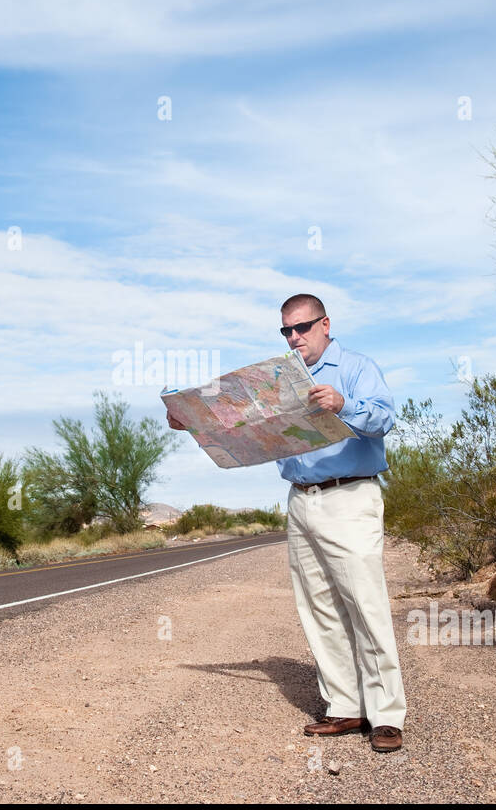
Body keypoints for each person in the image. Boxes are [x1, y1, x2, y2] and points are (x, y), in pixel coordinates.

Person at [167, 294, 406, 752]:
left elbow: (385, 419)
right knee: (318, 608)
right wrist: (197, 424)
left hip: (350, 496)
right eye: (287, 331)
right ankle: (345, 706)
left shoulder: (355, 368)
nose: (294, 338)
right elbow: (245, 428)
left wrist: (343, 404)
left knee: (365, 604)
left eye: (302, 328)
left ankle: (387, 715)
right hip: (301, 500)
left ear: (325, 325)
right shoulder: (278, 380)